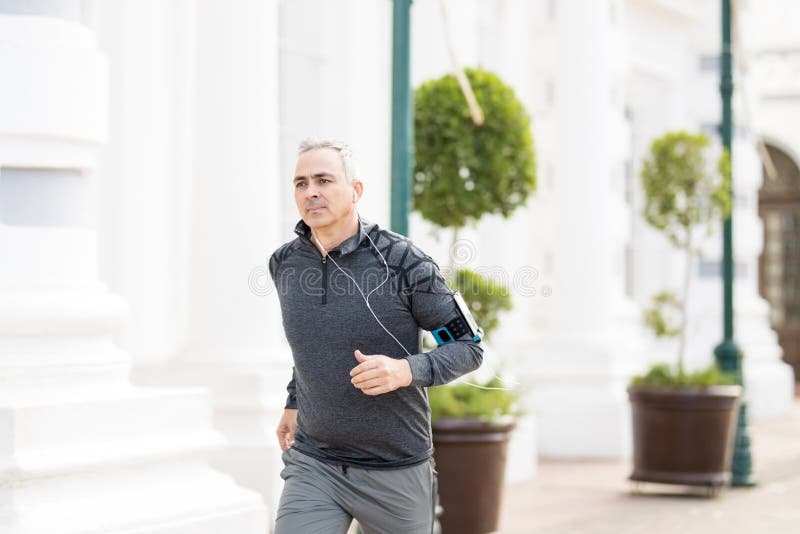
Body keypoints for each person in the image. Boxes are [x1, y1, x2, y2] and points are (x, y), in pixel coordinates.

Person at [269, 138, 484, 534]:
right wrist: (294, 399)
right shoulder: (284, 263)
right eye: (300, 183)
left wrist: (406, 370)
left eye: (324, 180)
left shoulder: (406, 262)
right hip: (314, 463)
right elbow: (312, 345)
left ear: (355, 191)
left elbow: (469, 348)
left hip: (395, 469)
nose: (311, 191)